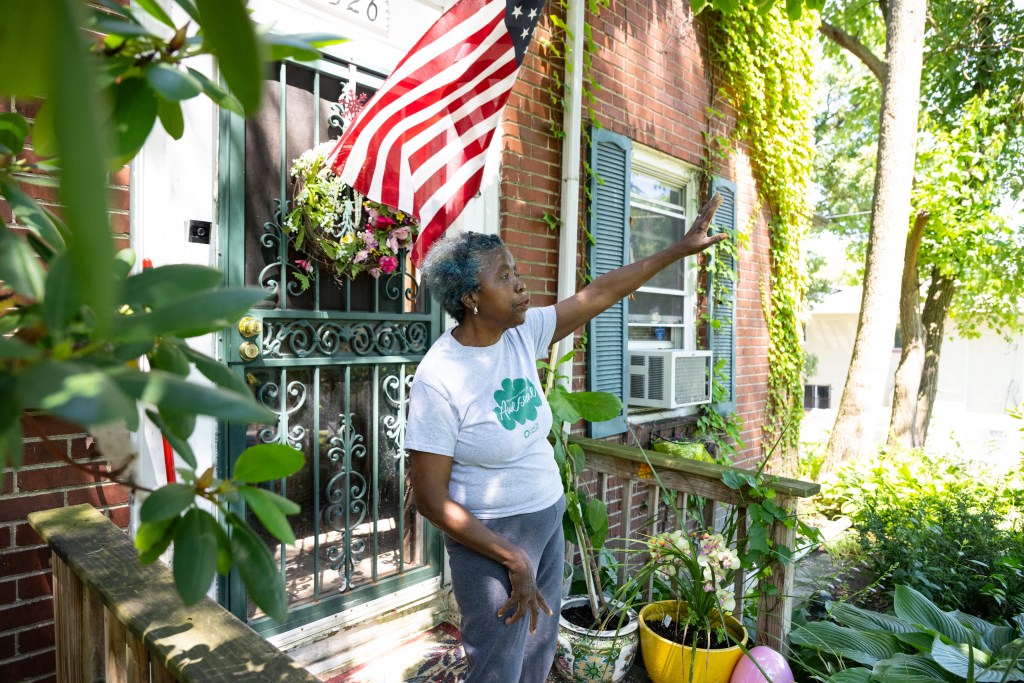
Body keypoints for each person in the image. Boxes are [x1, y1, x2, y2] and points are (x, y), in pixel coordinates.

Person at [404, 193, 726, 682]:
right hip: (492, 539)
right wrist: (511, 556)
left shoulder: (521, 332)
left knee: (537, 652)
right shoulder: (440, 377)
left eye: (515, 270)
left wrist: (678, 251)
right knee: (497, 663)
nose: (520, 284)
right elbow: (428, 497)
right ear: (470, 297)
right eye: (503, 277)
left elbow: (599, 293)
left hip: (546, 518)